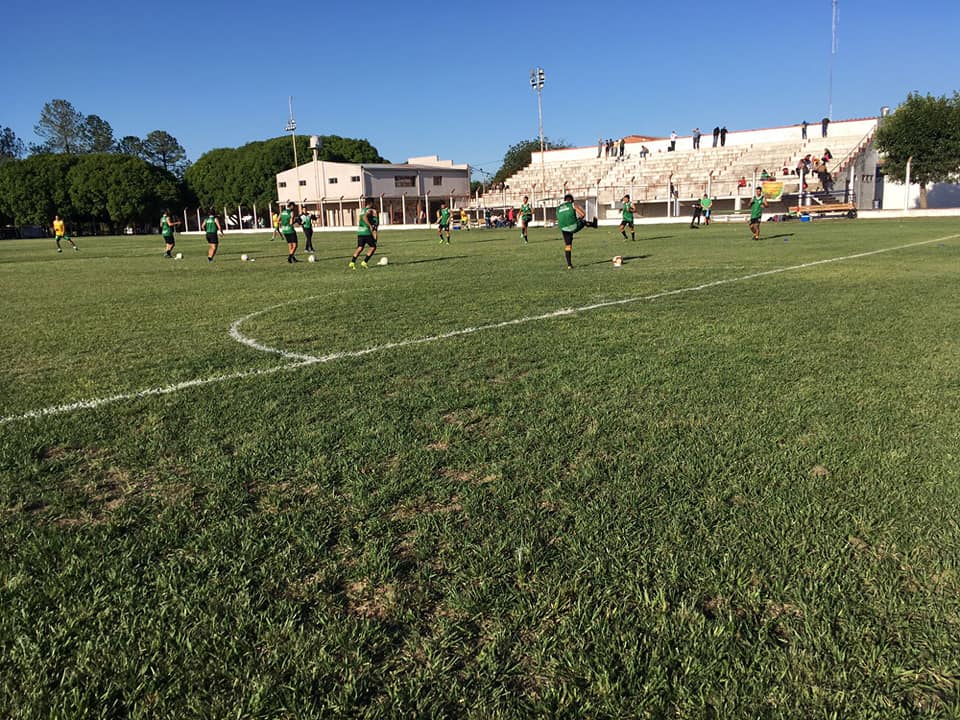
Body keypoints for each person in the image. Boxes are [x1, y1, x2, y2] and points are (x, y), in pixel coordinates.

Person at [555, 193, 596, 270]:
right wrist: (577, 219)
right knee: (583, 221)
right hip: (574, 226)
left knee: (568, 246)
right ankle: (593, 224)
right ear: (570, 200)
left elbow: (559, 218)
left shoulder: (558, 208)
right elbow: (582, 214)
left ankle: (569, 265)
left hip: (563, 228)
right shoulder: (572, 204)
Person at [349, 198, 378, 269]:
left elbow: (361, 218)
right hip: (366, 232)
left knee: (360, 247)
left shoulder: (362, 210)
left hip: (360, 232)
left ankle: (352, 262)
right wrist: (370, 226)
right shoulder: (370, 210)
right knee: (373, 247)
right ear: (371, 203)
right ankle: (364, 262)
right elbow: (365, 217)